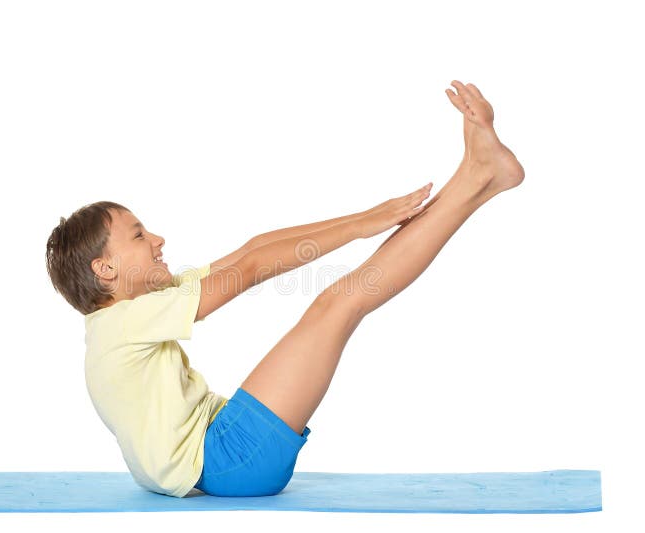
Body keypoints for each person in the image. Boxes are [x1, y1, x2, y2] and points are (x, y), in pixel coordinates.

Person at [45, 80, 525, 498]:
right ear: (104, 269)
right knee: (340, 302)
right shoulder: (122, 323)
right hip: (226, 461)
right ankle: (478, 177)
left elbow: (250, 250)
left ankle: (481, 177)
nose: (157, 240)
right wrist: (364, 224)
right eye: (138, 235)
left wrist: (364, 219)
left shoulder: (136, 307)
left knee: (337, 302)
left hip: (222, 447)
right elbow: (251, 269)